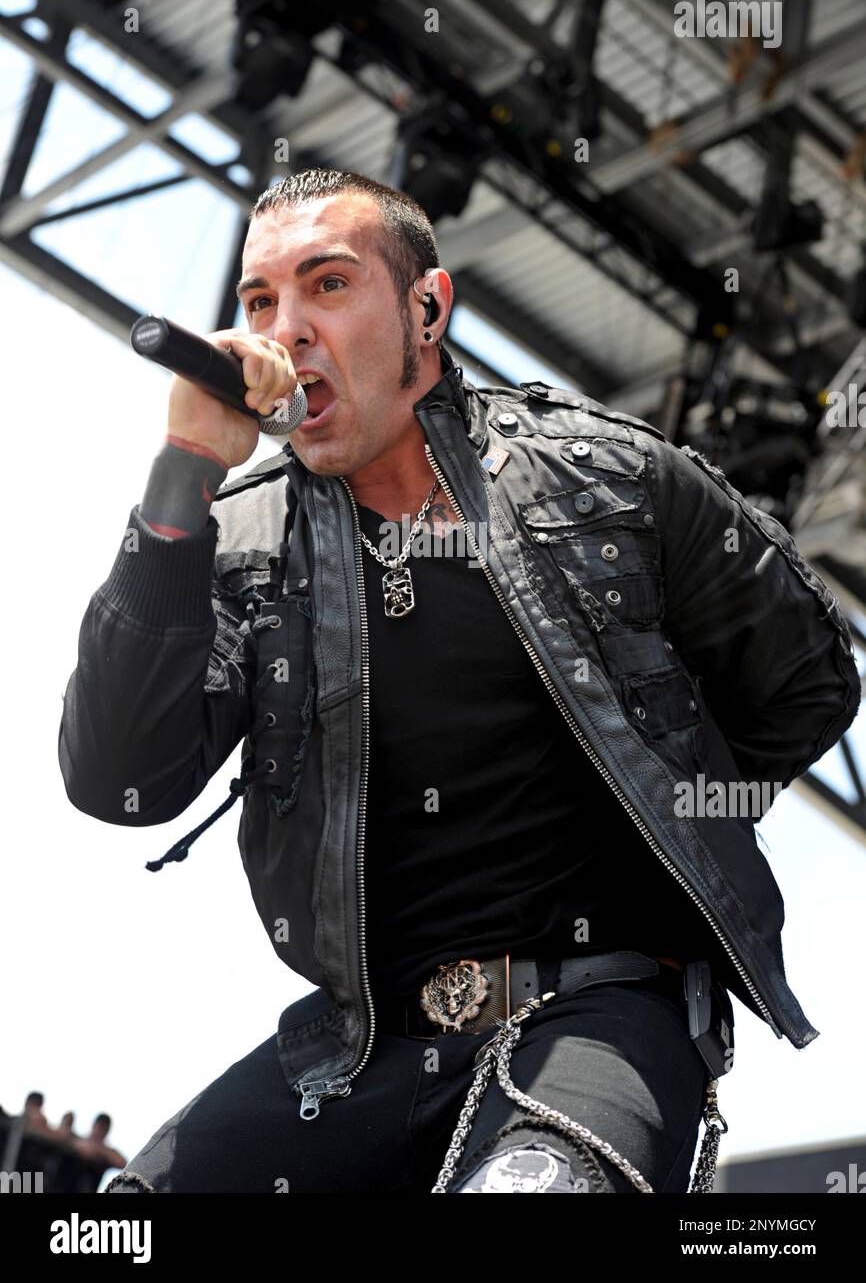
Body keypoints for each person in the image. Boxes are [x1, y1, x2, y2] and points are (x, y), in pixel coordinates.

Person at [58, 168, 860, 1194]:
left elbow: (806, 686)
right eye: (260, 300)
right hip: (357, 1045)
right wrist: (182, 474)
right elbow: (119, 778)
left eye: (328, 285)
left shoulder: (613, 479)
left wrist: (655, 811)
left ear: (425, 309)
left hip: (595, 1012)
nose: (284, 328)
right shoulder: (244, 542)